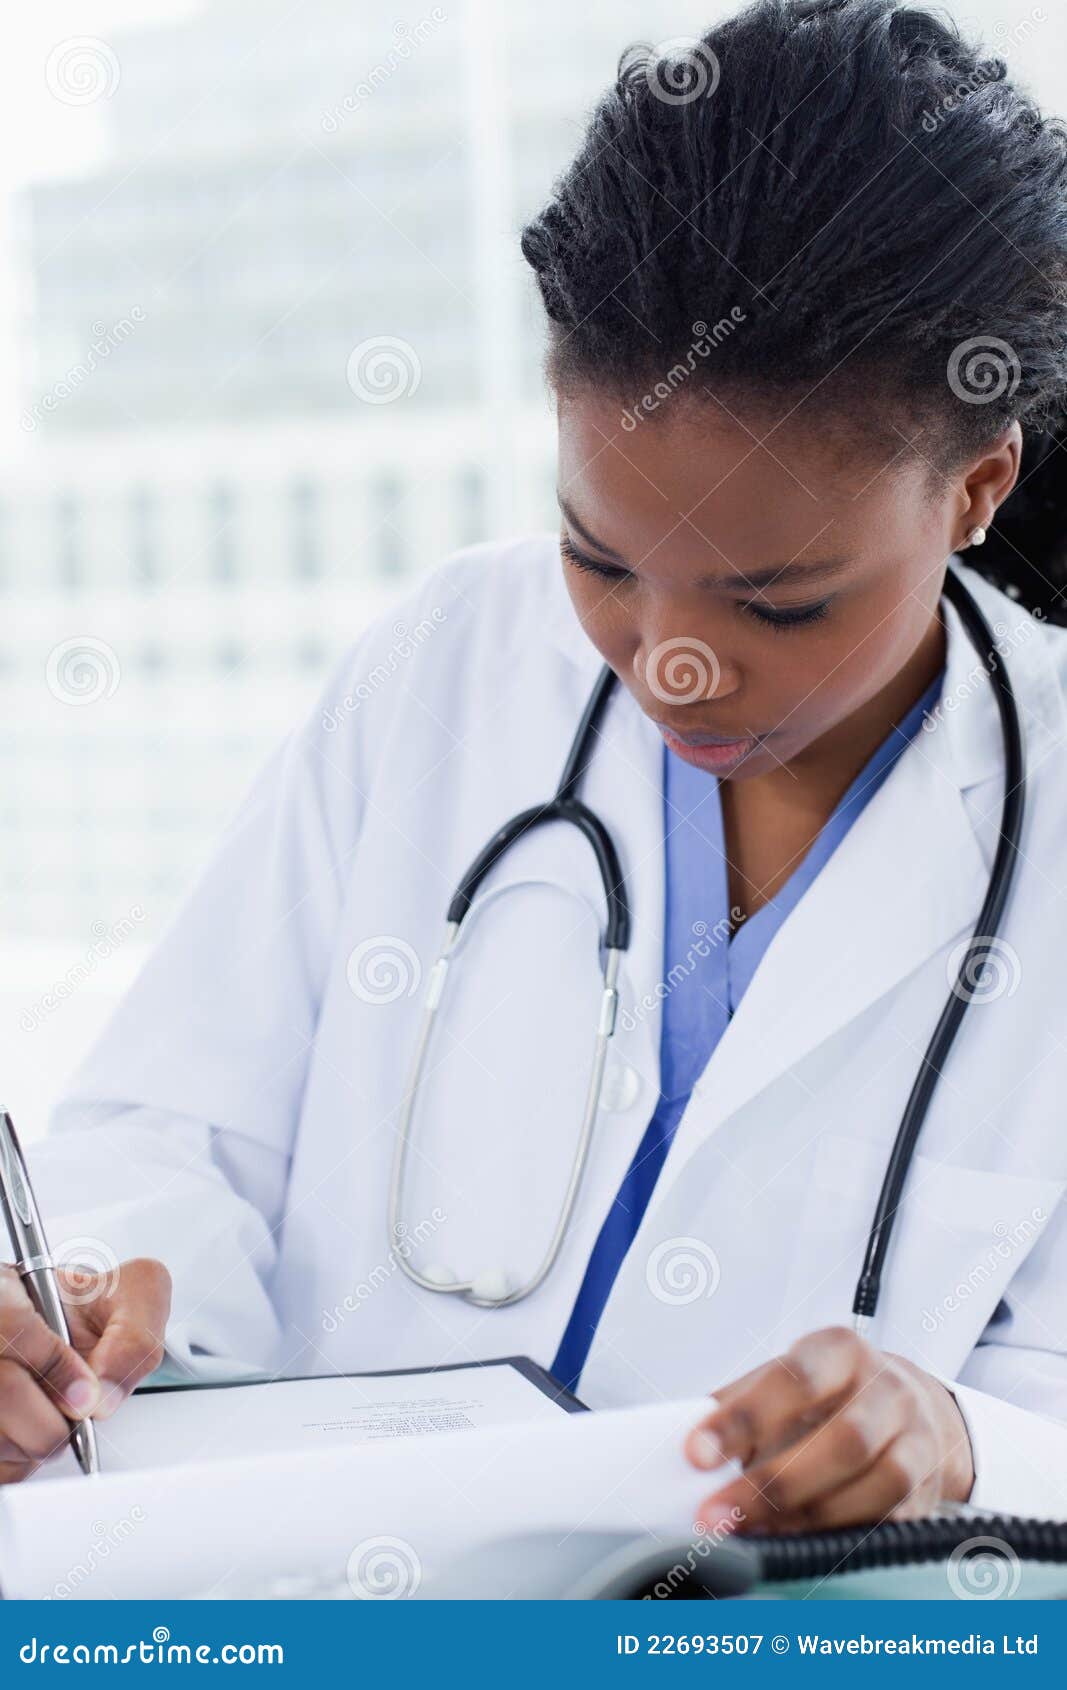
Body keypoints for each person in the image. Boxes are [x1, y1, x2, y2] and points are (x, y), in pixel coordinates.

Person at [4, 0, 1067, 1533]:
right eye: (600, 558)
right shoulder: (451, 661)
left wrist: (960, 1438)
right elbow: (177, 1133)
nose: (672, 660)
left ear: (975, 488)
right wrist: (95, 1295)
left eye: (778, 602)